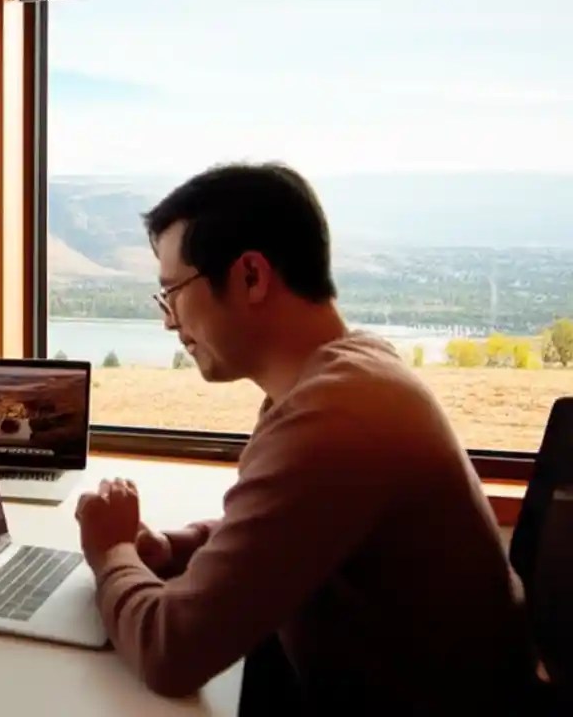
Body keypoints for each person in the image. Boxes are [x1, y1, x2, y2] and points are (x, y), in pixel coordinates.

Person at [73, 162, 536, 713]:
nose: (169, 322)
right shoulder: (352, 371)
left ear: (251, 276)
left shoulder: (335, 417)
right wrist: (179, 549)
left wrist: (110, 552)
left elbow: (170, 653)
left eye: (172, 291)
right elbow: (294, 526)